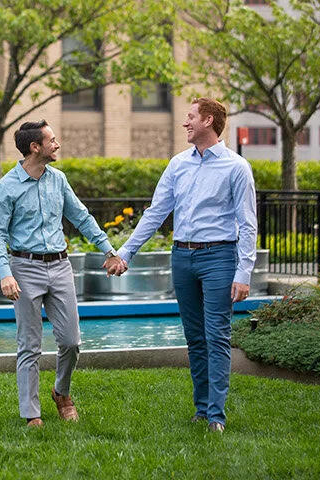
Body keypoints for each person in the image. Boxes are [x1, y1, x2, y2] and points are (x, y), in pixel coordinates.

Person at [116, 97, 257, 431]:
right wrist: (126, 252)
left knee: (217, 336)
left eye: (191, 117)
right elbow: (155, 212)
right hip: (182, 256)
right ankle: (202, 409)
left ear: (208, 121)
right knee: (195, 338)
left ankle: (216, 416)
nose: (185, 123)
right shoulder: (178, 164)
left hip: (220, 258)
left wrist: (243, 272)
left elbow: (248, 223)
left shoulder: (237, 167)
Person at [0, 120, 126, 427]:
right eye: (52, 140)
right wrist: (5, 273)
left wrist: (109, 250)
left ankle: (61, 392)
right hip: (24, 269)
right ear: (34, 147)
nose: (57, 144)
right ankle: (31, 413)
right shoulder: (7, 187)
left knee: (71, 341)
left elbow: (81, 216)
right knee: (30, 344)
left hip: (60, 266)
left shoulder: (58, 180)